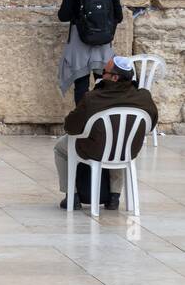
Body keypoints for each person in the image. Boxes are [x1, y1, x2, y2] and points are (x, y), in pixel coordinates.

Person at [55, 55, 157, 211]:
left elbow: (70, 127)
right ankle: (114, 197)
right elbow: (151, 124)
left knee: (61, 147)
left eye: (105, 72)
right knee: (119, 143)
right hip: (128, 151)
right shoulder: (144, 97)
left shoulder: (93, 98)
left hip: (95, 150)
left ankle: (72, 196)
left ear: (114, 78)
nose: (102, 75)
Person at [58, 0, 123, 108]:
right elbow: (118, 17)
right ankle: (101, 121)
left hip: (80, 43)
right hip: (103, 44)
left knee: (81, 84)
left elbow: (63, 16)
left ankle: (83, 124)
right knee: (103, 82)